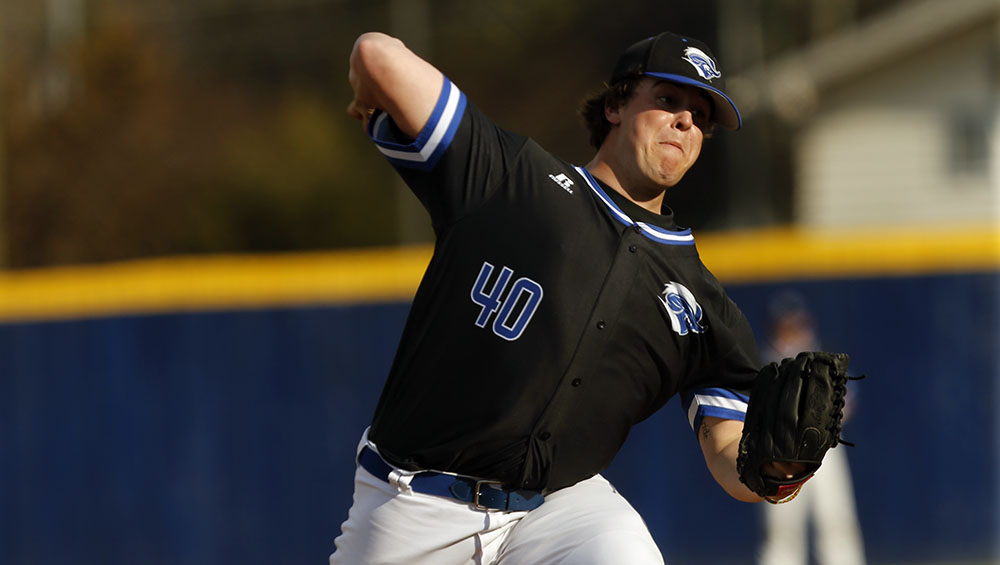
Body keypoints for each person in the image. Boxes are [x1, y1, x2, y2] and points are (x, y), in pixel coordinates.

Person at [333, 31, 799, 564]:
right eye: (668, 100)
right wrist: (368, 93)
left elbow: (727, 450)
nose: (686, 121)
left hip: (558, 510)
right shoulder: (512, 181)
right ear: (616, 105)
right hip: (413, 504)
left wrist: (774, 474)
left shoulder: (702, 302)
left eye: (701, 114)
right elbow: (376, 54)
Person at [757, 291, 867, 565]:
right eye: (787, 326)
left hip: (825, 447)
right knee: (783, 529)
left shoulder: (826, 360)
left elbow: (849, 401)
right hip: (781, 450)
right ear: (776, 329)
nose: (794, 331)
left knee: (835, 519)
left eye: (798, 324)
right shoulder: (766, 364)